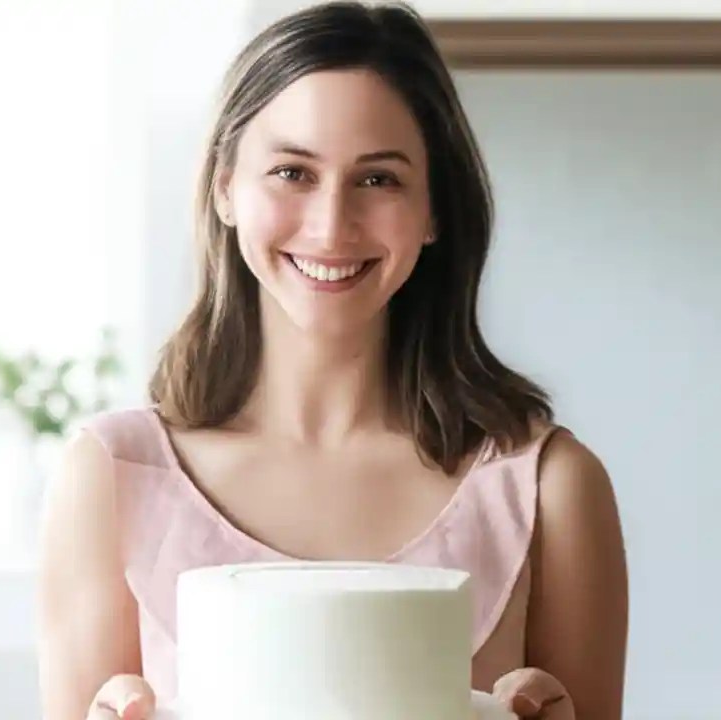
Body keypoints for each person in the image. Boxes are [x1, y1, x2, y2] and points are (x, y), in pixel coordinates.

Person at [36, 2, 628, 719]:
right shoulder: (111, 478)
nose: (329, 227)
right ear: (225, 187)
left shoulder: (549, 489)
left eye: (378, 180)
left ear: (435, 209)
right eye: (292, 172)